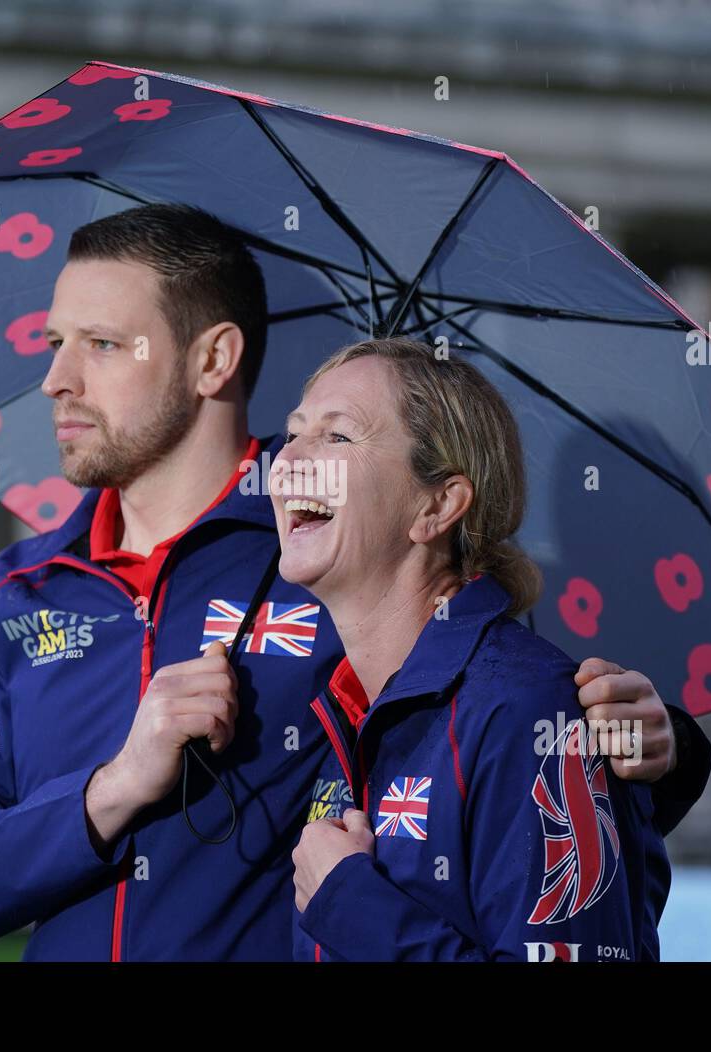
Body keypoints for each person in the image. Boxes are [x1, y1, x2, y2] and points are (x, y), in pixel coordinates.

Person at [0, 204, 711, 961]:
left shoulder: (336, 554)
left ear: (213, 357)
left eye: (101, 344)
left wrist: (654, 748)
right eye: (53, 344)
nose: (56, 380)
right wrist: (115, 787)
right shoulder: (18, 592)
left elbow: (504, 726)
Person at [282, 338, 668, 961]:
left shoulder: (527, 707)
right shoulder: (343, 712)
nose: (287, 462)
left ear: (437, 504)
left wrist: (351, 903)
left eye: (337, 437)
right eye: (293, 432)